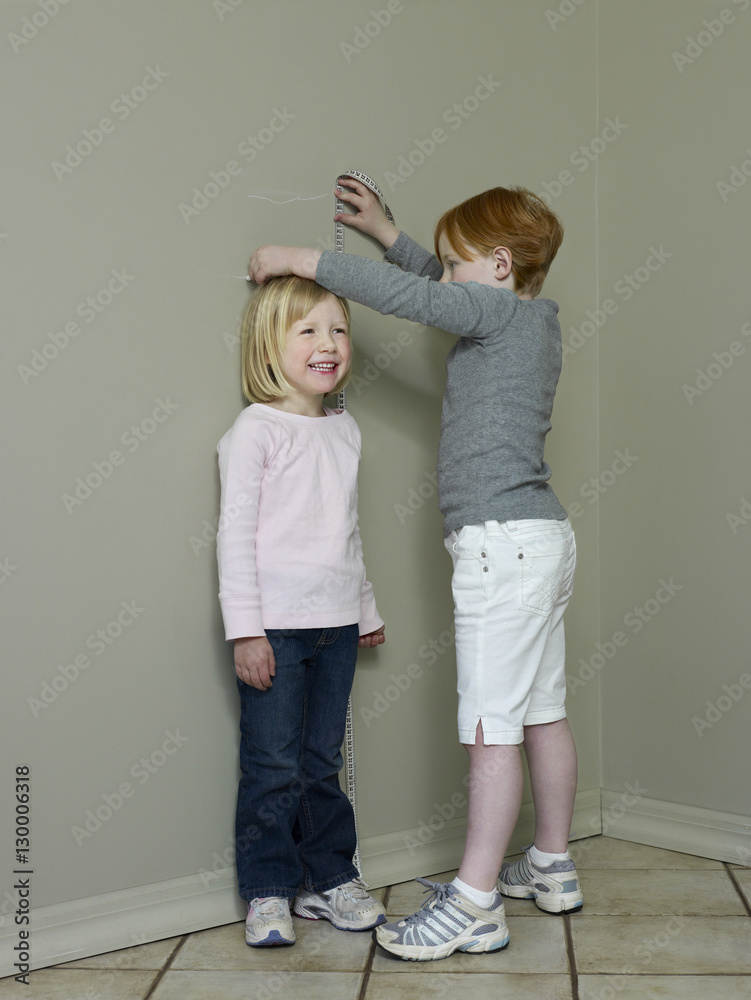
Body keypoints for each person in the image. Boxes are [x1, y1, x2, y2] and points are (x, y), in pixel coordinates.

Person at [246, 179, 581, 962]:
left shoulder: (489, 311)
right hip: (544, 538)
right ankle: (552, 863)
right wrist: (388, 231)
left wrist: (303, 258)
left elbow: (413, 299)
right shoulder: (530, 319)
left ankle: (472, 902)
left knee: (488, 726)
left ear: (498, 265)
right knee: (541, 711)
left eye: (454, 261)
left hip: (501, 547)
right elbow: (436, 287)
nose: (443, 275)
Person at [216, 274, 387, 948]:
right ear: (268, 347)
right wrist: (246, 632)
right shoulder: (255, 430)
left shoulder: (344, 431)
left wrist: (364, 606)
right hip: (276, 627)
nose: (328, 343)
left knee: (321, 760)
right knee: (272, 765)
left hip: (336, 624)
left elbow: (346, 529)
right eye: (308, 330)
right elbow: (235, 538)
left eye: (338, 330)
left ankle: (330, 876)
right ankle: (267, 889)